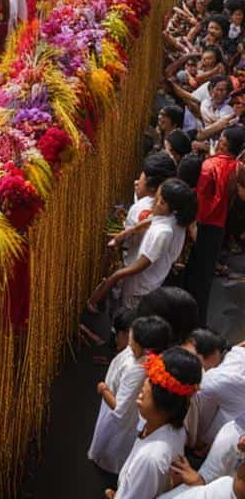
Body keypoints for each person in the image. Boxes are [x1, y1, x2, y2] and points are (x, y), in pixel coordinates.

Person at [108, 347, 203, 499]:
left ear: (165, 398)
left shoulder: (150, 459)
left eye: (152, 381)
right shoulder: (167, 427)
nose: (144, 384)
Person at [89, 179, 197, 311]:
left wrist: (116, 276)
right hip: (146, 281)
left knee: (128, 320)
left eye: (161, 203)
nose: (155, 204)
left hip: (140, 288)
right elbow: (150, 221)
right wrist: (129, 231)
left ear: (173, 210)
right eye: (157, 197)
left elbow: (143, 264)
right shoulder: (170, 218)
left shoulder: (163, 232)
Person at [89, 315, 175, 476]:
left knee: (109, 447)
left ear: (146, 347)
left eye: (132, 339)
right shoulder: (139, 354)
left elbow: (119, 410)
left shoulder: (136, 370)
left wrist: (103, 389)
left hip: (117, 420)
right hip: (120, 407)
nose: (128, 342)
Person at [186, 126, 243, 327]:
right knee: (205, 279)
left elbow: (199, 198)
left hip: (201, 224)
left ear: (224, 143)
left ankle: (191, 323)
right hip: (218, 227)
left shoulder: (209, 165)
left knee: (193, 277)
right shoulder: (237, 167)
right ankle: (199, 323)